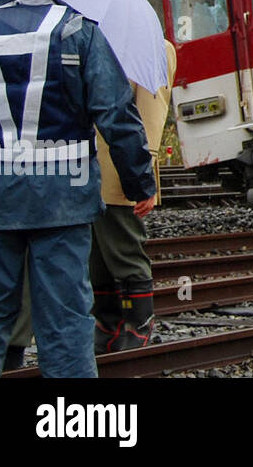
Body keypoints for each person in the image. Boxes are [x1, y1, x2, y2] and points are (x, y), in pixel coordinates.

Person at [0, 0, 156, 378]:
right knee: (65, 319)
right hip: (63, 200)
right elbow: (118, 117)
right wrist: (141, 183)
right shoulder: (79, 32)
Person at [91, 39, 176, 352]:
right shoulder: (93, 39)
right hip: (89, 164)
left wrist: (144, 168)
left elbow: (152, 111)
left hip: (122, 163)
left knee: (124, 246)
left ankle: (138, 322)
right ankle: (108, 321)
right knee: (96, 255)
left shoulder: (150, 43)